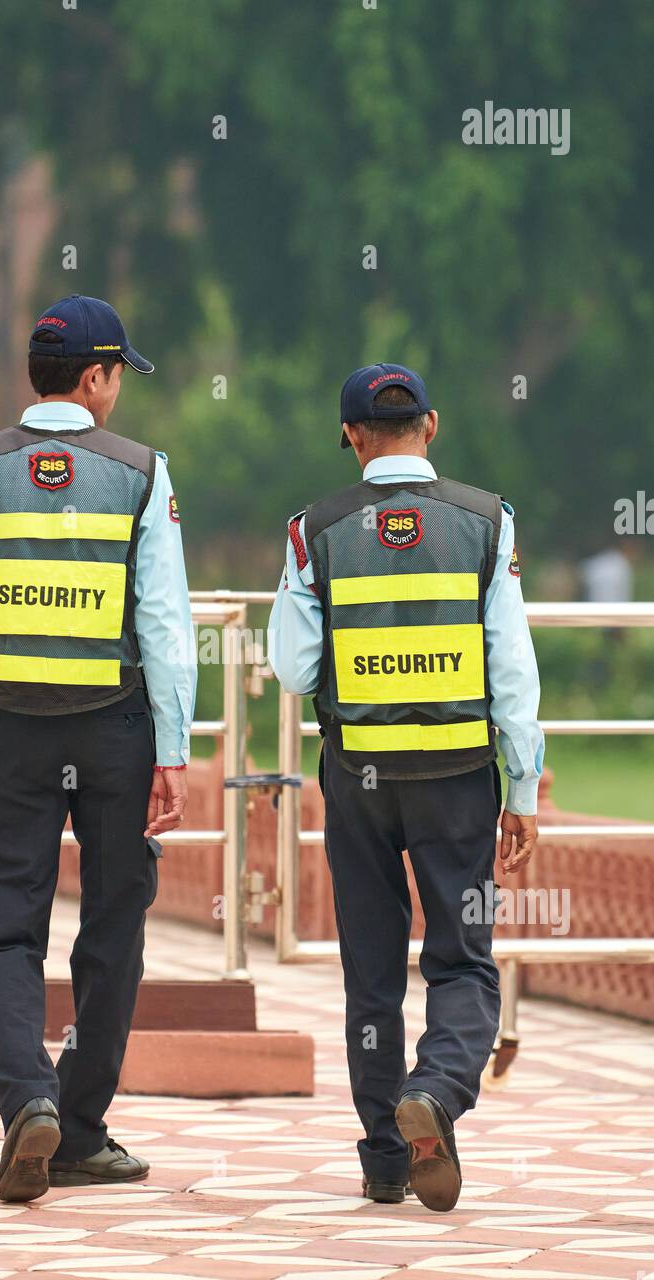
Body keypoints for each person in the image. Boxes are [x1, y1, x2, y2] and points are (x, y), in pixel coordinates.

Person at [0, 294, 196, 1202]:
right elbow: (162, 623)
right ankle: (76, 1129)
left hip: (12, 735)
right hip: (117, 732)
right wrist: (173, 749)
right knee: (113, 930)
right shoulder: (141, 472)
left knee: (9, 932)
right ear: (96, 377)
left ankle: (25, 1103)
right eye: (119, 374)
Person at [268, 363, 544, 1212]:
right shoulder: (487, 523)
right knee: (462, 959)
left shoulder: (315, 531)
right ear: (432, 425)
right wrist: (522, 786)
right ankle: (439, 1087)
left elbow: (292, 665)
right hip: (460, 781)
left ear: (352, 436)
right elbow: (513, 673)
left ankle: (386, 1156)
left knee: (372, 969)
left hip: (358, 778)